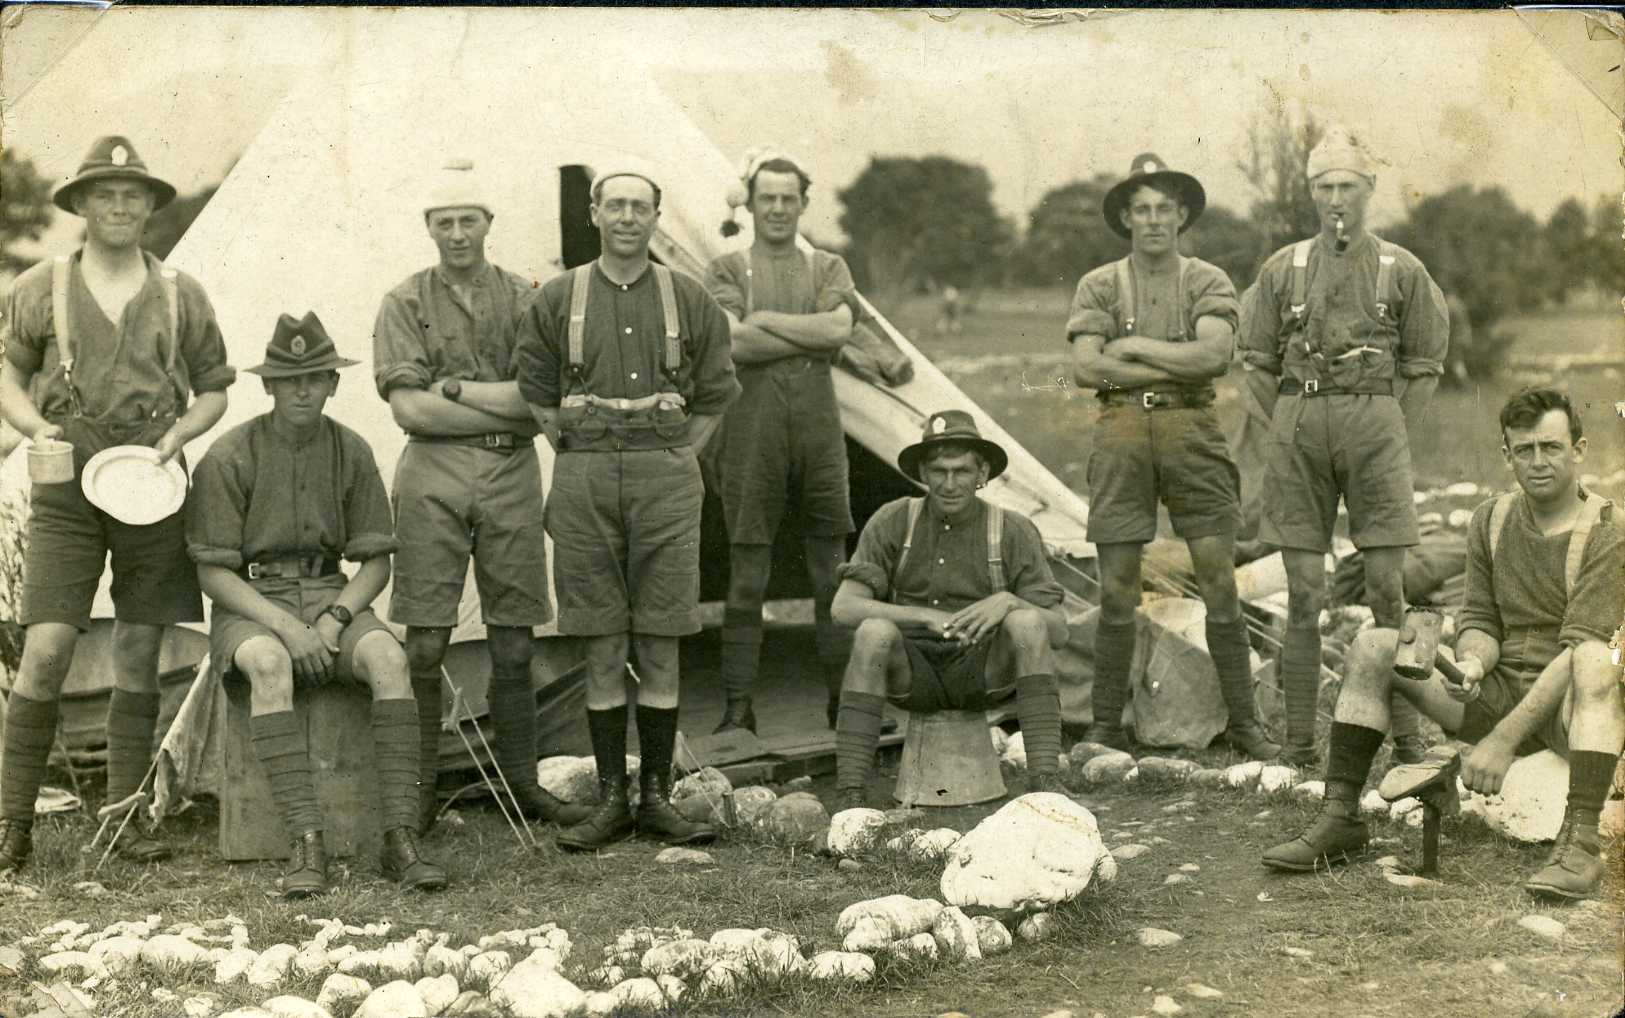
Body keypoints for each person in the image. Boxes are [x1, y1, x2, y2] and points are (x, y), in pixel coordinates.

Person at [1262, 388, 1624, 901]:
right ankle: (1340, 816)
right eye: (1525, 450)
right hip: (1498, 692)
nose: (1538, 462)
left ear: (1579, 450)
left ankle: (1581, 843)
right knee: (1373, 644)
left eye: (1551, 447)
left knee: (1593, 658)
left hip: (1570, 709)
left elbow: (1578, 653)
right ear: (1507, 455)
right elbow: (1479, 619)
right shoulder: (1491, 520)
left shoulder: (1608, 529)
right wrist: (1473, 662)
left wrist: (1500, 740)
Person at [0, 136, 234, 872]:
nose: (121, 206)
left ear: (150, 207)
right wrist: (35, 426)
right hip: (68, 477)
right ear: (81, 204)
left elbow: (215, 389)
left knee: (138, 646)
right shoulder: (42, 286)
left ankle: (124, 818)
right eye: (105, 193)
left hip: (152, 476)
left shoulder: (179, 290)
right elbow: (6, 370)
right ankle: (13, 823)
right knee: (48, 648)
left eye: (134, 194)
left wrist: (180, 435)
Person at [513, 165, 741, 851]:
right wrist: (574, 445)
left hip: (666, 477)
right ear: (594, 213)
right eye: (614, 206)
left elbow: (717, 391)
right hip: (584, 478)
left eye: (639, 207)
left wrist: (678, 455)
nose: (626, 218)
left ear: (655, 217)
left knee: (663, 637)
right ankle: (612, 799)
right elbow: (533, 387)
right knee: (603, 639)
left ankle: (657, 798)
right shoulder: (558, 297)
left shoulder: (689, 297)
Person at [188, 313, 447, 898]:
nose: (302, 389)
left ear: (333, 383)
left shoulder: (351, 450)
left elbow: (376, 561)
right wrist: (286, 626)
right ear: (268, 386)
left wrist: (333, 619)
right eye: (288, 378)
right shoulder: (230, 454)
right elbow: (212, 570)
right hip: (253, 603)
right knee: (269, 665)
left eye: (315, 377)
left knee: (389, 659)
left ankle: (400, 837)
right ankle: (306, 840)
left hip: (332, 595)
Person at [371, 162, 587, 832]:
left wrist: (456, 392)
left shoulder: (526, 297)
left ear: (489, 224)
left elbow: (538, 402)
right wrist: (502, 406)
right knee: (426, 640)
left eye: (469, 220)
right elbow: (410, 411)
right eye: (445, 223)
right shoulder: (403, 301)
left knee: (515, 637)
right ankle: (419, 790)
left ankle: (522, 783)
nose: (458, 234)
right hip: (432, 472)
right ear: (429, 229)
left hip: (510, 473)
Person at [1237, 126, 1449, 767]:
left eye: (1348, 187)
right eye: (1324, 187)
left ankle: (1408, 738)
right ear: (1310, 192)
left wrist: (1387, 426)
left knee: (1389, 586)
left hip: (1375, 423)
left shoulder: (1401, 268)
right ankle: (1298, 744)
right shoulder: (1284, 268)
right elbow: (1253, 362)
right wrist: (1289, 423)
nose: (1336, 199)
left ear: (1369, 190)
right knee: (1304, 591)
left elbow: (1425, 361)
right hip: (1299, 423)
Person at [1068, 153, 1278, 761]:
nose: (1154, 220)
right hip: (1122, 430)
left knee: (1218, 576)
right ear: (1126, 218)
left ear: (1182, 215)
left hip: (1192, 426)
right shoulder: (1100, 284)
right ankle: (1106, 725)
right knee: (1115, 586)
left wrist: (1130, 347)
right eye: (1142, 209)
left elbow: (1213, 357)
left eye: (1165, 208)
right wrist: (1161, 356)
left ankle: (1245, 724)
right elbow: (1085, 367)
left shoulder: (1208, 279)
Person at [827, 410, 1070, 809]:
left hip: (983, 670)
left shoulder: (1011, 528)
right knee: (873, 631)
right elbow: (843, 608)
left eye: (962, 471)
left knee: (1027, 621)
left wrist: (1009, 601)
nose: (950, 484)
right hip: (914, 673)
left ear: (983, 473)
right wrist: (922, 615)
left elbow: (1058, 631)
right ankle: (850, 792)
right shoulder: (895, 520)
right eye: (939, 471)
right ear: (922, 472)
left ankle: (1045, 783)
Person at [702, 150, 860, 734]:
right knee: (747, 573)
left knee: (831, 571)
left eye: (787, 198)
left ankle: (844, 704)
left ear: (803, 204)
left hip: (819, 432)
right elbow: (730, 344)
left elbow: (840, 329)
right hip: (751, 432)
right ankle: (738, 709)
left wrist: (764, 320)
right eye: (765, 197)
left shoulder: (828, 267)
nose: (776, 208)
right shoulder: (725, 269)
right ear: (749, 202)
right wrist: (807, 338)